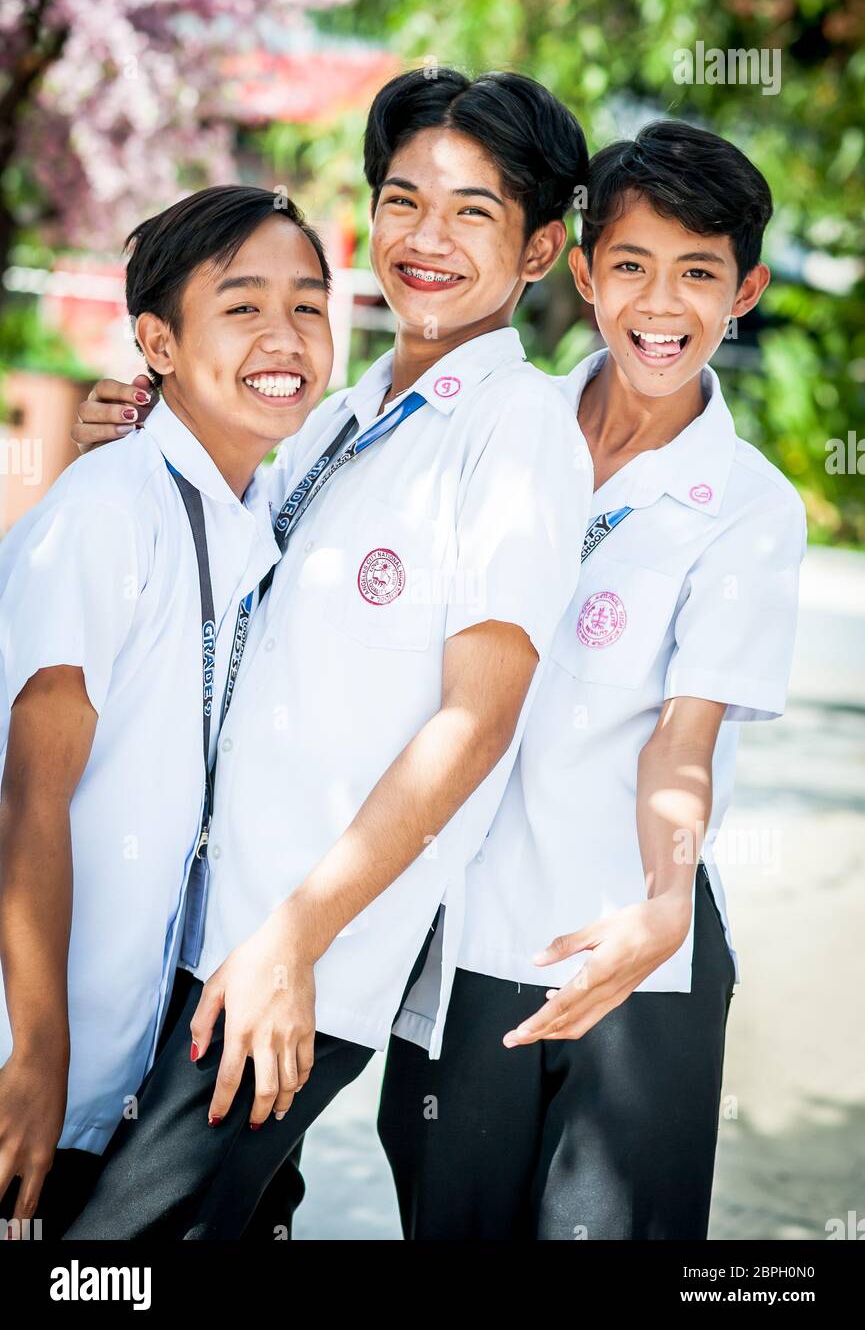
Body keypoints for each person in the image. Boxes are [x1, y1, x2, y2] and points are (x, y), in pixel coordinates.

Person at [61, 67, 593, 1239]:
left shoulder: (516, 432)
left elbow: (476, 718)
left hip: (287, 957)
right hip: (194, 937)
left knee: (111, 1255)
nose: (426, 238)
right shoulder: (343, 415)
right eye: (404, 200)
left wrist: (296, 937)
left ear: (540, 248)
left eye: (472, 211)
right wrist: (141, 433)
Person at [378, 120, 807, 1240]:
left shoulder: (749, 508)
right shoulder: (495, 426)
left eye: (697, 274)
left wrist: (666, 901)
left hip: (633, 953)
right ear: (581, 272)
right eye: (630, 265)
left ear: (745, 291)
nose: (659, 305)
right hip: (462, 943)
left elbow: (681, 739)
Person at [0, 185, 335, 1238]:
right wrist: (38, 1054)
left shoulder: (259, 509)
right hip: (34, 1071)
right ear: (158, 343)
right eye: (242, 307)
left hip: (139, 1077)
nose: (284, 335)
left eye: (309, 304)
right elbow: (28, 798)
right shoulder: (109, 509)